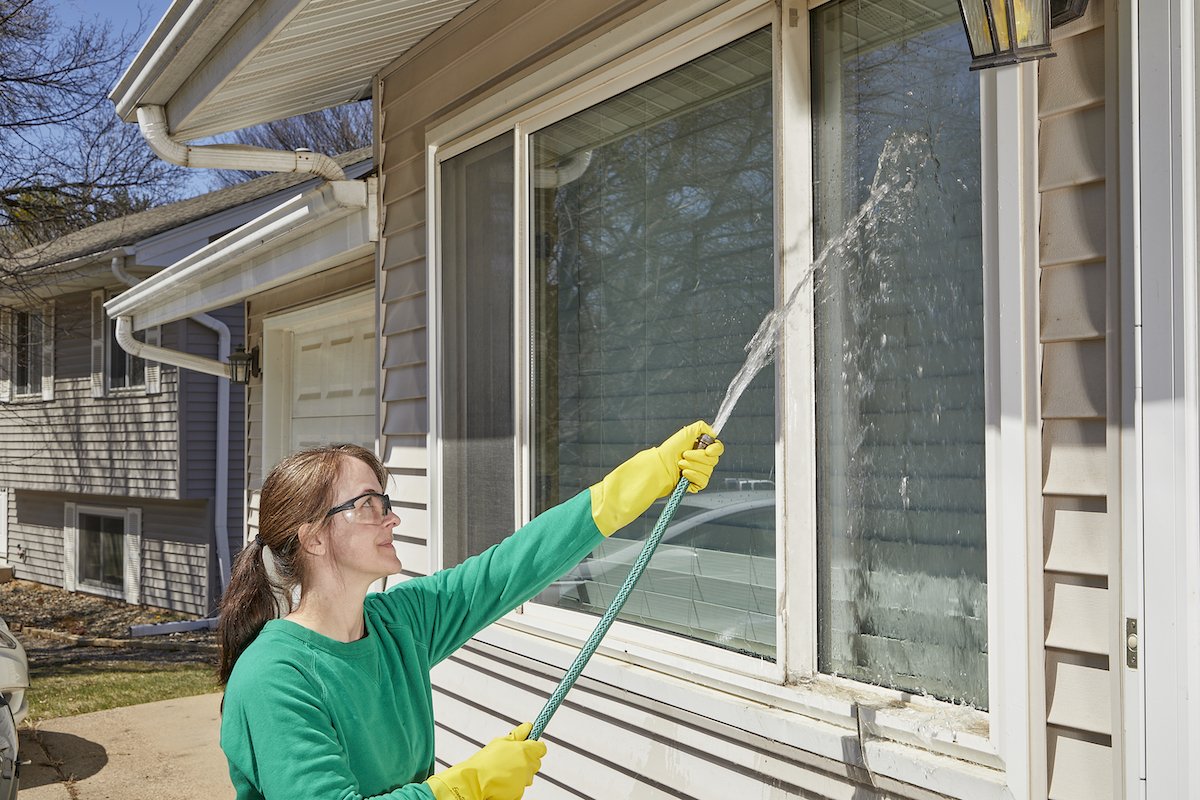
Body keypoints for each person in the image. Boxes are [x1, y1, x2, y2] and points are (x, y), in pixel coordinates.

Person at [216, 422, 724, 800]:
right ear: (313, 538)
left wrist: (650, 476)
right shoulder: (274, 678)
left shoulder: (399, 625)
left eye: (385, 500)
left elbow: (511, 567)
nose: (391, 518)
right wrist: (466, 787)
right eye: (367, 504)